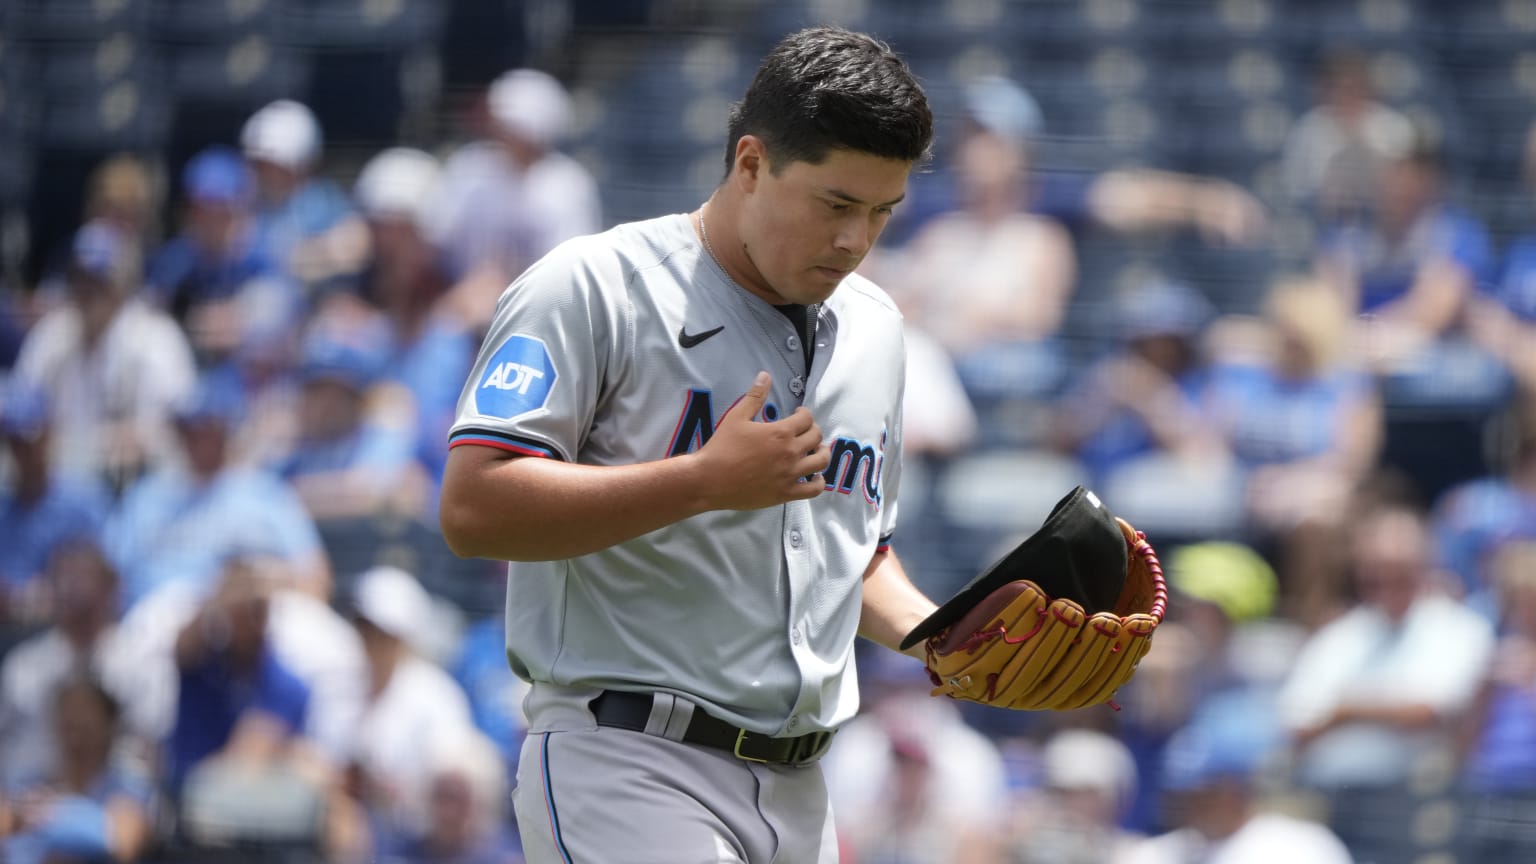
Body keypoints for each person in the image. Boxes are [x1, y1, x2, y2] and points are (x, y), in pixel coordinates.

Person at [439, 27, 941, 863]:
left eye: (881, 212)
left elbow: (854, 550)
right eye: (836, 204)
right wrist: (701, 481)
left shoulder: (875, 327)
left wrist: (943, 636)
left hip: (803, 789)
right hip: (628, 758)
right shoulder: (594, 286)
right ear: (751, 164)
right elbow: (473, 507)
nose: (857, 240)